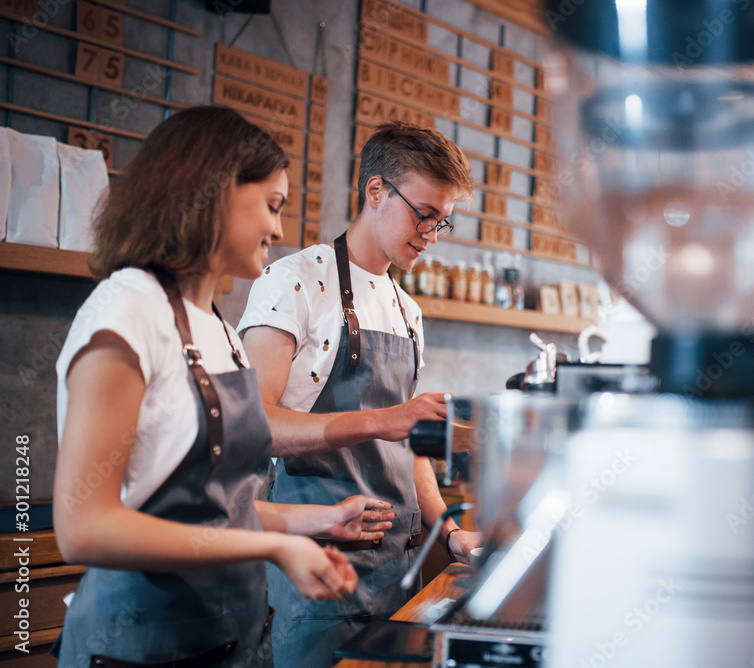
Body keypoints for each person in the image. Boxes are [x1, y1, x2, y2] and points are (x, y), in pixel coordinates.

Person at [51, 106, 394, 668]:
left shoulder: (218, 329)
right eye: (272, 205)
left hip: (230, 639)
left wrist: (316, 522)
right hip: (141, 646)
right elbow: (84, 527)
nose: (279, 229)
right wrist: (275, 546)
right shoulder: (126, 309)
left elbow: (213, 511)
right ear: (212, 192)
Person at [237, 121, 481, 667]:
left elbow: (408, 444)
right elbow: (253, 425)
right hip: (318, 569)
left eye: (442, 222)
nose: (431, 235)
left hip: (398, 570)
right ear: (376, 192)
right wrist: (384, 418)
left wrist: (449, 529)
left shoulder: (407, 310)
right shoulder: (294, 282)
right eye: (424, 214)